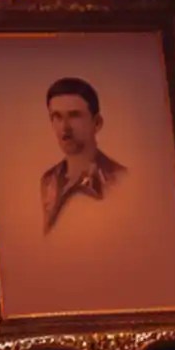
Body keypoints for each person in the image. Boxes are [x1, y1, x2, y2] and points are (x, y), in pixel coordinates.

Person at [40, 77, 127, 233]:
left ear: (97, 123)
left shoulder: (118, 180)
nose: (65, 128)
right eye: (57, 117)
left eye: (74, 115)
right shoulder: (48, 181)